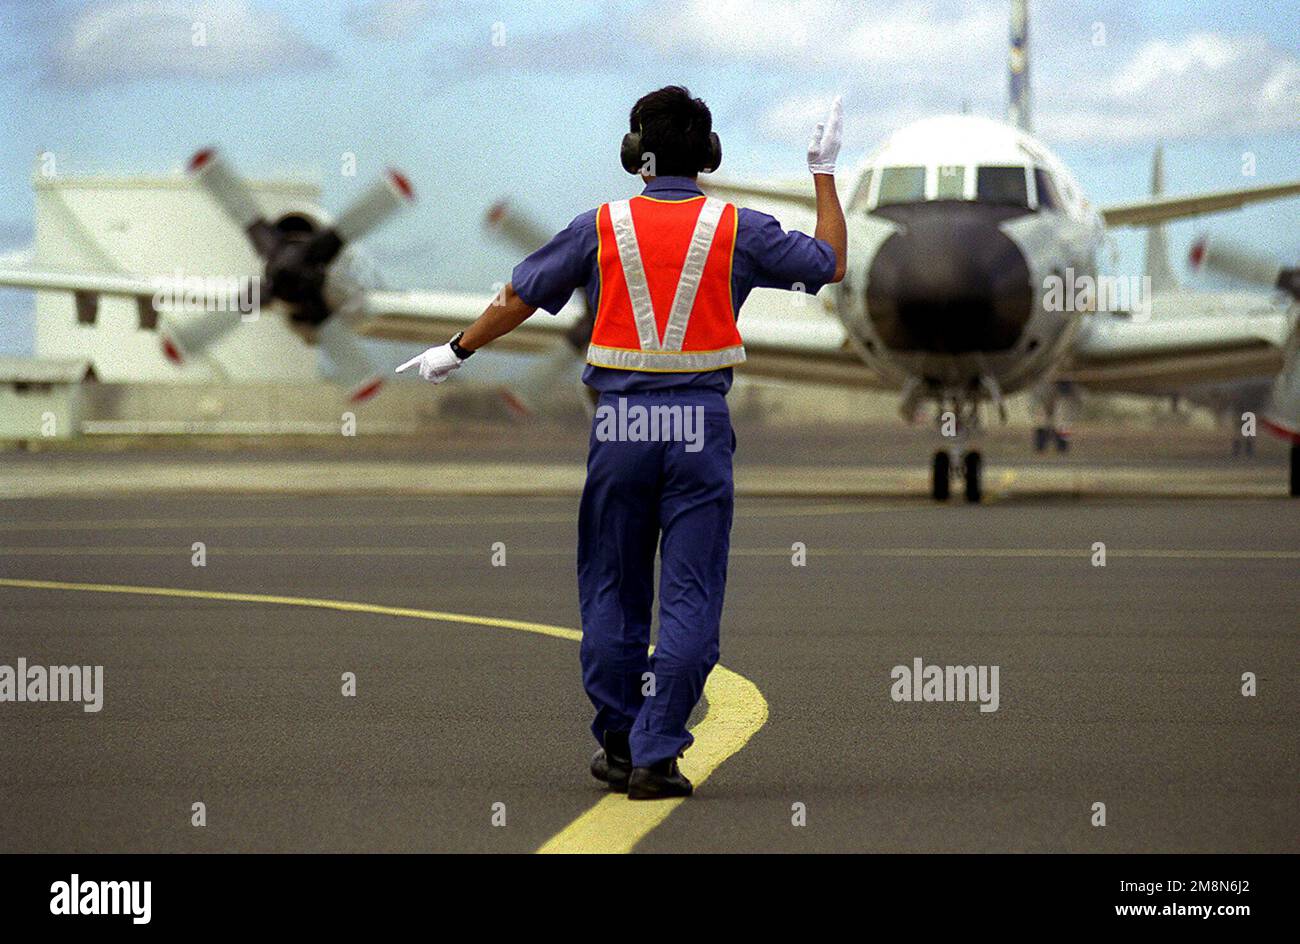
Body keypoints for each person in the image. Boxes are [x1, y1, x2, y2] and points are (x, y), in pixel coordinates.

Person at [398, 86, 846, 799]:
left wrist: (456, 349)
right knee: (691, 595)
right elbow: (827, 263)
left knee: (613, 586)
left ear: (637, 154)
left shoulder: (599, 226)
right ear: (709, 155)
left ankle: (617, 735)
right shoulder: (739, 227)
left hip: (622, 425)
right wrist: (822, 170)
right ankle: (657, 752)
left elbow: (517, 296)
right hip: (699, 425)